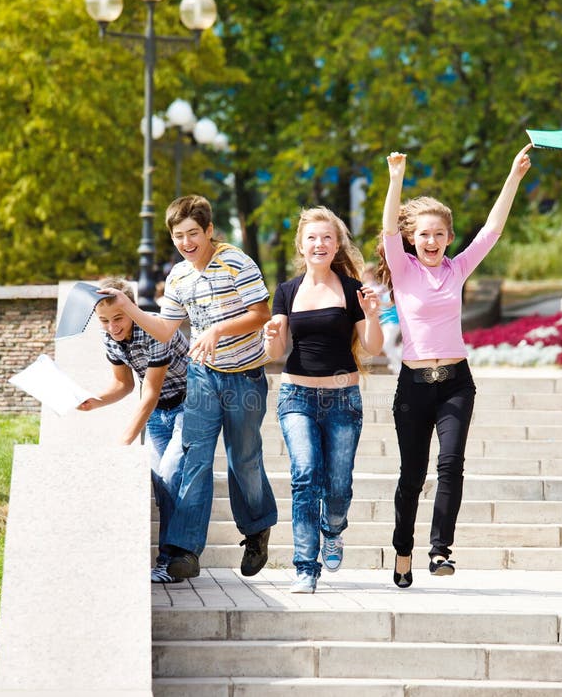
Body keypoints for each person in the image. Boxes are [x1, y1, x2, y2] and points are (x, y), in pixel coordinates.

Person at [97, 195, 277, 580]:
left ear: (209, 231)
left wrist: (216, 330)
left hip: (244, 376)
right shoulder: (178, 276)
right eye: (178, 236)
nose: (186, 242)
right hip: (203, 376)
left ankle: (257, 528)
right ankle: (184, 552)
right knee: (194, 458)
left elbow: (261, 314)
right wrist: (128, 306)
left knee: (243, 458)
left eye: (193, 233)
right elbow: (164, 329)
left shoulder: (237, 262)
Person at [376, 144, 532, 588]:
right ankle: (403, 549)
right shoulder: (403, 268)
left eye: (439, 234)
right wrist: (395, 179)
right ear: (413, 238)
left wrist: (514, 177)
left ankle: (440, 549)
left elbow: (493, 229)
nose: (431, 241)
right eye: (424, 234)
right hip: (414, 386)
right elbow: (388, 228)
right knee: (412, 476)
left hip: (456, 384)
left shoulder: (457, 269)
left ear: (448, 237)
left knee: (451, 464)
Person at [264, 206, 383, 593]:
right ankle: (305, 567)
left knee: (338, 487)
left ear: (337, 245)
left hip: (342, 401)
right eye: (312, 238)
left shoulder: (351, 290)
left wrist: (372, 315)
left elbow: (373, 347)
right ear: (301, 245)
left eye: (327, 238)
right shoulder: (286, 291)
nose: (319, 244)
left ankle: (333, 530)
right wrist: (271, 338)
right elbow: (275, 353)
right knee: (304, 476)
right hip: (296, 396)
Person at [78, 278, 187, 584]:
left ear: (131, 308)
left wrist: (124, 441)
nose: (112, 327)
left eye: (118, 318)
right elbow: (123, 384)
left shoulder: (154, 330)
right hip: (158, 414)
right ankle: (174, 558)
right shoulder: (110, 337)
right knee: (160, 482)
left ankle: (171, 561)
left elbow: (150, 392)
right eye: (104, 321)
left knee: (171, 475)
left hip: (190, 404)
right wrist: (94, 401)